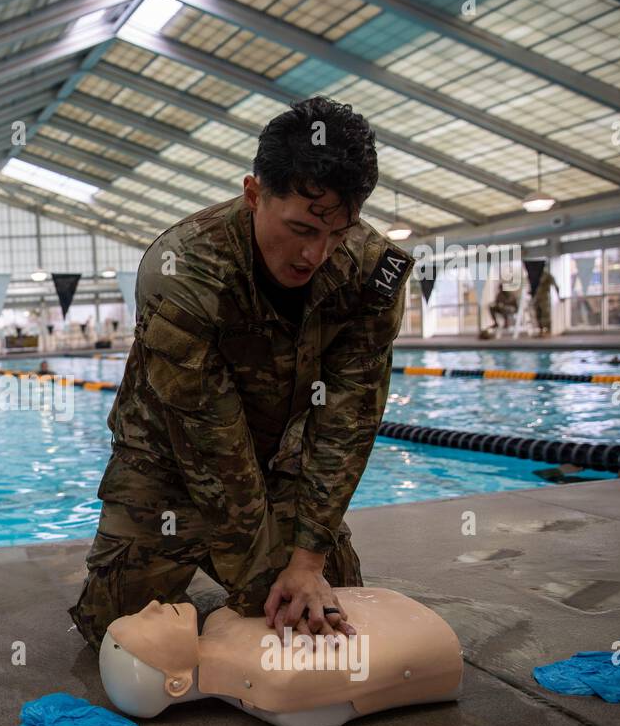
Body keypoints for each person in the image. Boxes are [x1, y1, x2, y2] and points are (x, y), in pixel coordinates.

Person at [69, 96, 415, 650]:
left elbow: (347, 423)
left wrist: (307, 560)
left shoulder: (370, 274)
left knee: (338, 604)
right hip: (168, 458)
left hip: (279, 460)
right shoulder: (184, 270)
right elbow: (214, 449)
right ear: (254, 194)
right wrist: (263, 585)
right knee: (116, 635)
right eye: (300, 228)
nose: (315, 255)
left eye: (337, 232)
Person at [532, 268, 556, 336]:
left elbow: (555, 284)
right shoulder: (535, 276)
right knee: (538, 313)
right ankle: (541, 330)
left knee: (545, 313)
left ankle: (548, 330)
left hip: (544, 297)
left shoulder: (547, 275)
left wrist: (559, 295)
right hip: (537, 297)